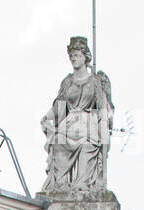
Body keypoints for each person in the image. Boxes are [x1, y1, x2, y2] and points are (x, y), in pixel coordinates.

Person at [40, 36, 113, 196]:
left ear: (85, 57)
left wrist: (105, 125)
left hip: (88, 125)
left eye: (77, 55)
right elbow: (59, 108)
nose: (74, 59)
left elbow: (102, 109)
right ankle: (61, 185)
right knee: (58, 142)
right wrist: (47, 117)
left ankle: (82, 184)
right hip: (70, 123)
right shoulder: (67, 82)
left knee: (87, 144)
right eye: (71, 56)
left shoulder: (94, 82)